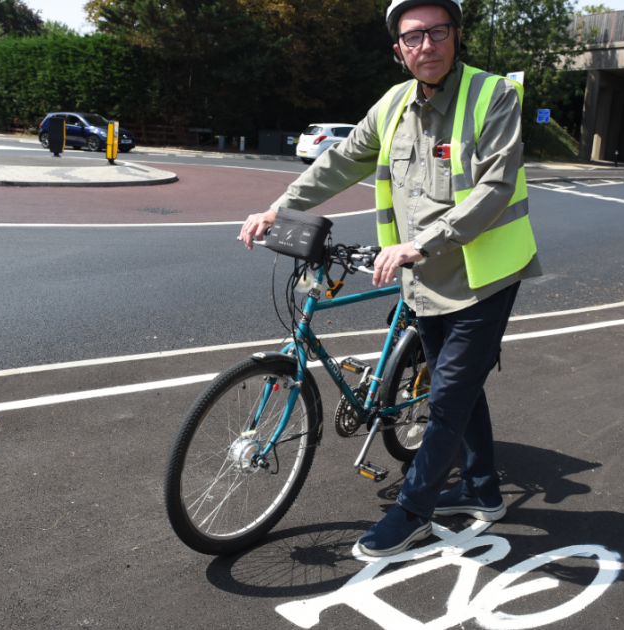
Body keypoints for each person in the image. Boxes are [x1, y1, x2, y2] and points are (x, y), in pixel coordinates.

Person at [238, 0, 541, 557]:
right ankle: (482, 489)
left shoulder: (492, 95)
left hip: (484, 276)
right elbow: (341, 161)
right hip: (422, 279)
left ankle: (414, 510)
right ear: (398, 50)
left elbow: (496, 187)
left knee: (447, 397)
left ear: (456, 37)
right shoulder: (393, 105)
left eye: (437, 32)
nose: (426, 45)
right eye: (413, 37)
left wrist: (420, 244)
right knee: (461, 388)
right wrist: (279, 208)